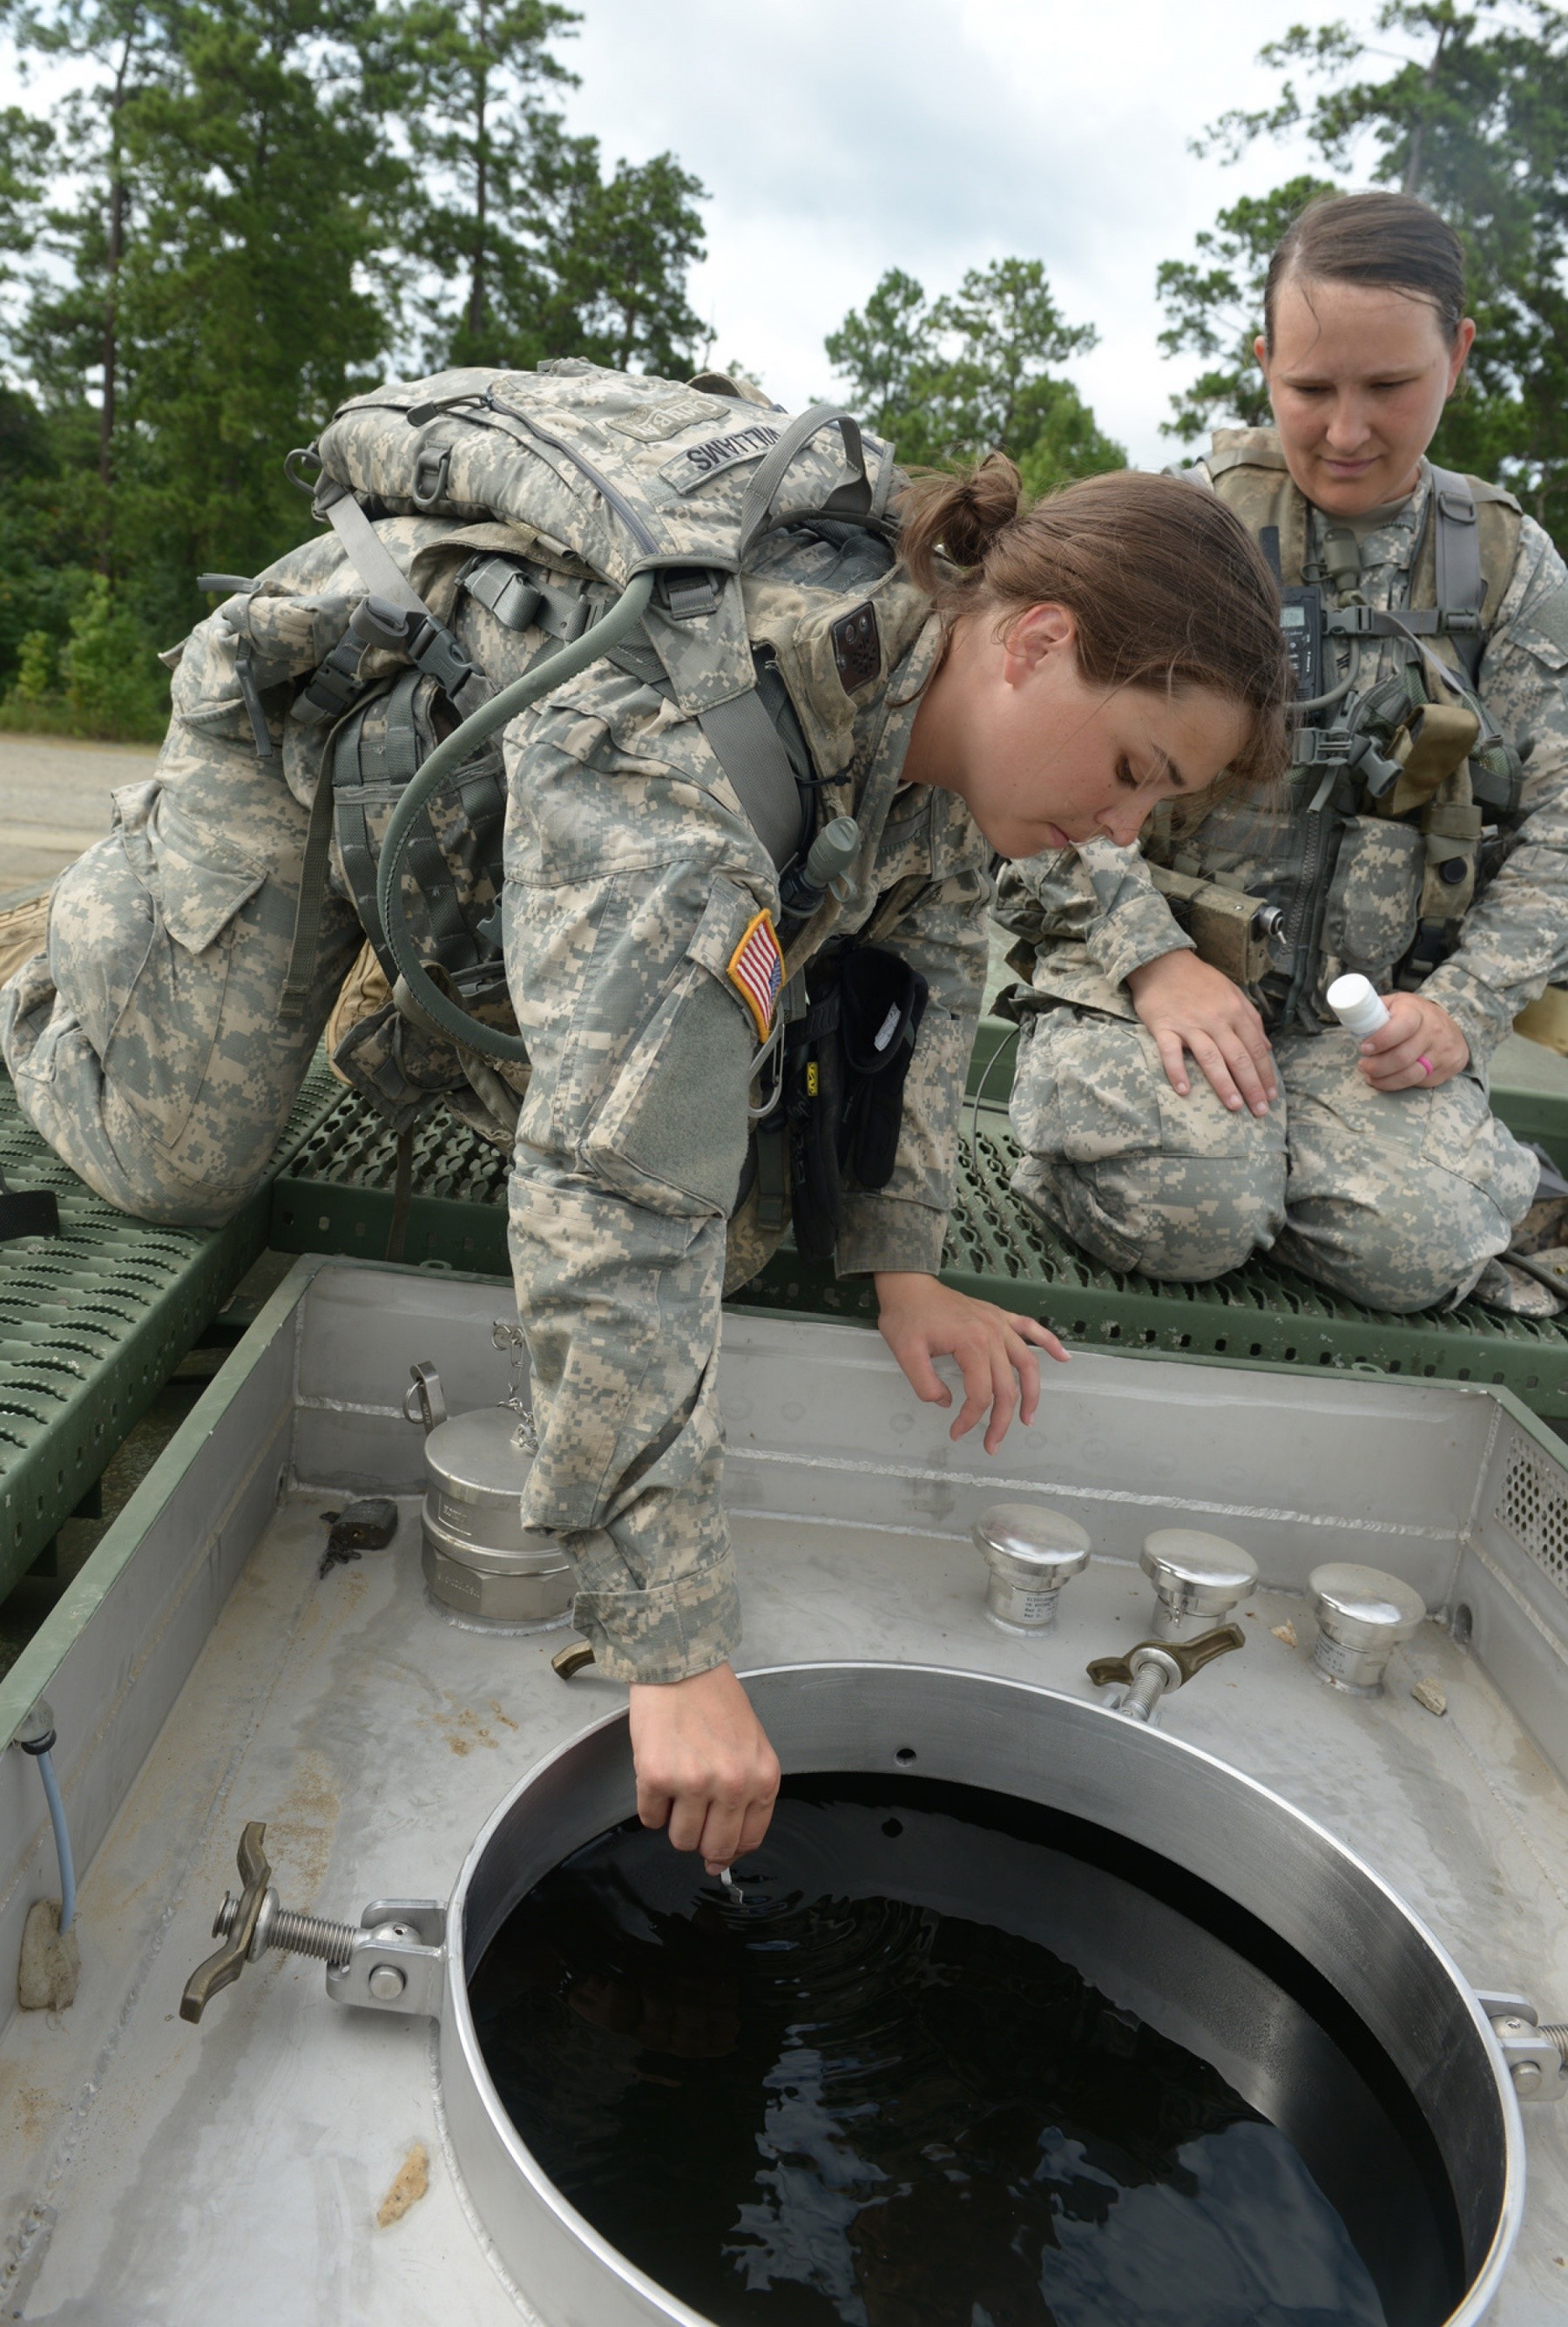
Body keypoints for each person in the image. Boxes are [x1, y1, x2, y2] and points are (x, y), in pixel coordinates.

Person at [0, 370, 1288, 1870]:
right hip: (318, 728)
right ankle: (78, 944)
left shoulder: (938, 715)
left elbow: (921, 965)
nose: (1125, 830)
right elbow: (603, 1202)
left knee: (735, 1234)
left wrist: (900, 1256)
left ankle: (424, 980)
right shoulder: (682, 771)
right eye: (1135, 769)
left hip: (507, 813)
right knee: (172, 1160)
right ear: (1039, 641)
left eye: (1162, 804)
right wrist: (674, 1655)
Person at [999, 191, 1568, 1318]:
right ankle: (1222, 1166)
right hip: (1145, 988)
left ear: (1456, 356)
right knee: (1191, 1211)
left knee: (1423, 1243)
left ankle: (1305, 1167)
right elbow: (1035, 784)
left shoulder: (1510, 573)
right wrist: (1153, 962)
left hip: (1358, 1037)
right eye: (1310, 390)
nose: (1347, 431)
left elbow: (1557, 825)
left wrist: (1459, 1007)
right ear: (1264, 362)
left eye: (1389, 388)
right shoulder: (1182, 539)